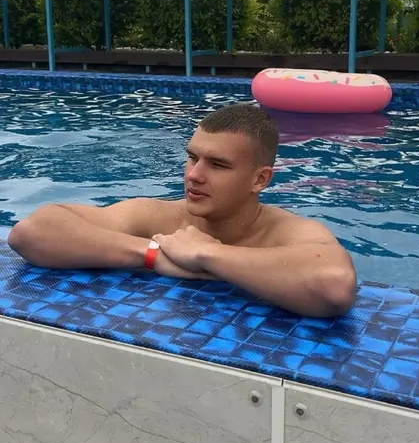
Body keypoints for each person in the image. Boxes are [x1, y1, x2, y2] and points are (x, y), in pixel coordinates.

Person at [7, 103, 356, 318]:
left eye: (217, 165)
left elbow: (334, 286)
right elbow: (31, 233)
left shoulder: (288, 232)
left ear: (259, 179)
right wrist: (152, 254)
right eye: (192, 157)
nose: (194, 175)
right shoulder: (158, 217)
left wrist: (208, 254)